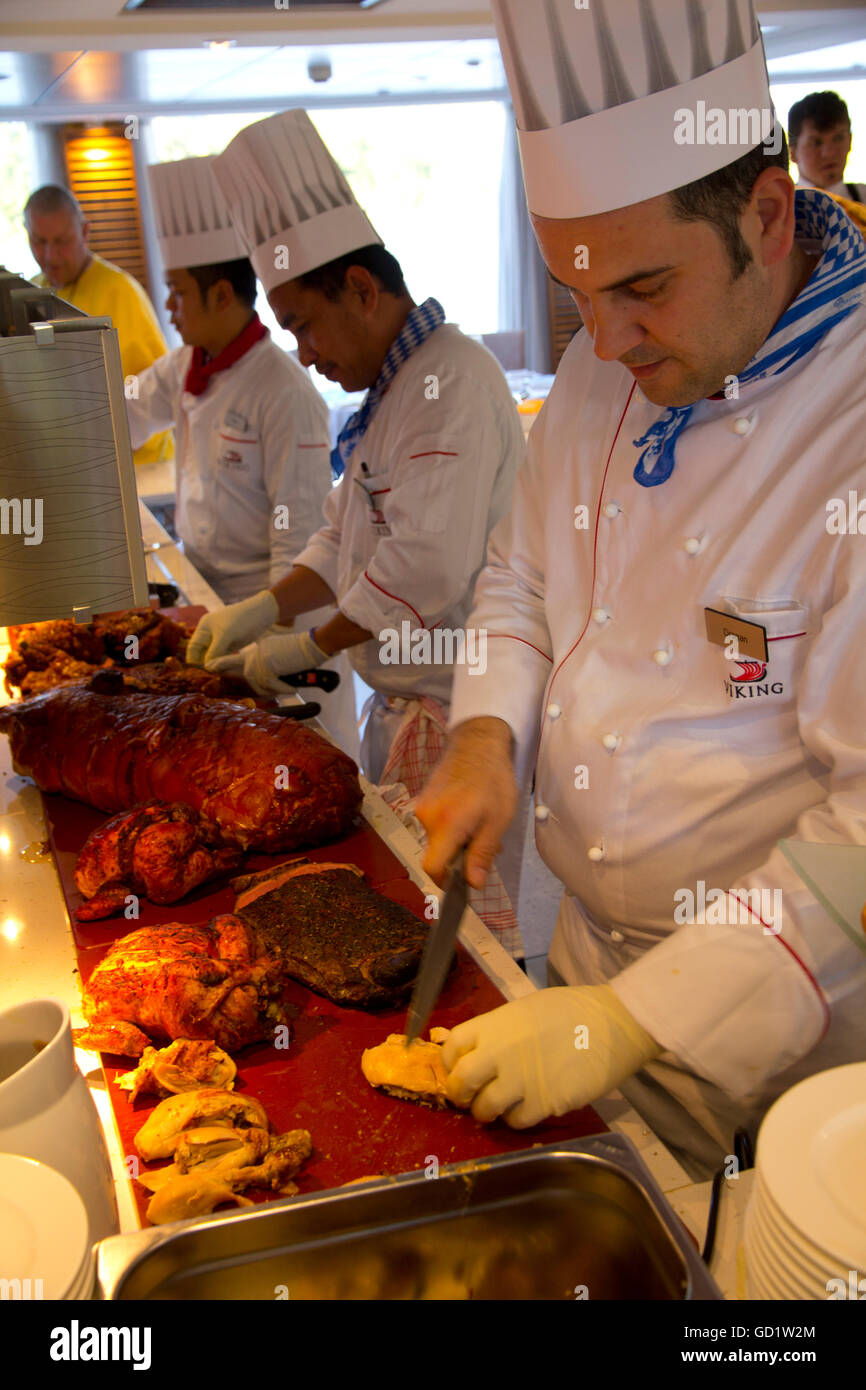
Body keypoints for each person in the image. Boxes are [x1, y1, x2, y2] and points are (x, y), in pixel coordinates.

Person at [416, 0, 866, 1179]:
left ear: (765, 216)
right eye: (575, 296)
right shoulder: (594, 367)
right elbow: (521, 578)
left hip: (776, 1050)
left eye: (640, 288)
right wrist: (480, 733)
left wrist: (633, 1024)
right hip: (582, 968)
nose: (601, 343)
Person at [187, 110, 527, 955]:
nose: (301, 351)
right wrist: (264, 611)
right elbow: (340, 540)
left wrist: (309, 649)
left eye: (302, 323)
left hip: (462, 725)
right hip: (407, 708)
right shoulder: (390, 390)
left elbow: (424, 568)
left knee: (470, 960)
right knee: (413, 942)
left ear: (364, 291)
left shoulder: (451, 378)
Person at [126, 154, 357, 756]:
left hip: (272, 618)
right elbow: (120, 416)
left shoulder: (285, 390)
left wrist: (268, 634)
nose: (169, 306)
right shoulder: (183, 366)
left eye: (177, 292)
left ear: (221, 293)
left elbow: (301, 533)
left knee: (296, 761)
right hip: (207, 600)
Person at [24, 183, 172, 467]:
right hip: (73, 463)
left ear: (85, 232)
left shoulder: (120, 289)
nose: (50, 256)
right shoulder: (32, 291)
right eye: (39, 241)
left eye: (61, 241)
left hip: (140, 466)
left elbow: (157, 389)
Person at [788, 90, 866, 203]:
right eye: (816, 143)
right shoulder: (774, 207)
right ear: (792, 152)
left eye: (838, 138)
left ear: (850, 141)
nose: (829, 153)